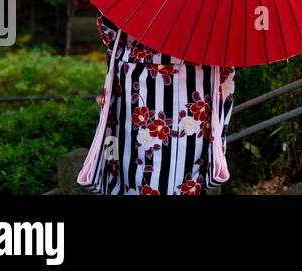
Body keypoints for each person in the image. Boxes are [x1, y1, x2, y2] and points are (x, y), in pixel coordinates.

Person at [76, 15, 236, 195]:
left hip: (137, 76)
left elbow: (109, 30)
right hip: (196, 79)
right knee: (185, 170)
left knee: (130, 164)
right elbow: (228, 37)